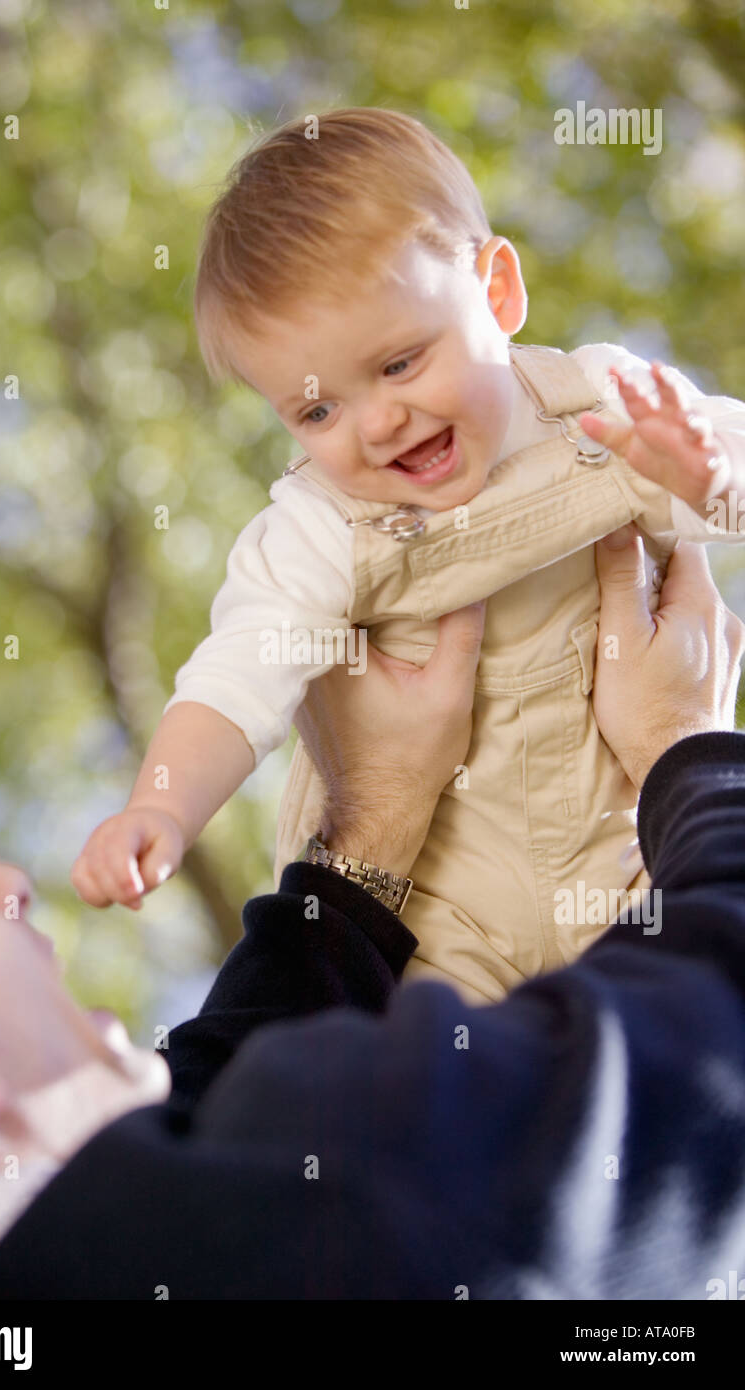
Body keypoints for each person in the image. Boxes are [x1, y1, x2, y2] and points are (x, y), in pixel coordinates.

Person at [0, 525, 743, 1299]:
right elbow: (709, 1045)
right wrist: (686, 744)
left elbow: (218, 1104)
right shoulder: (323, 1206)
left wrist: (369, 835)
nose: (1, 879)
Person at [72, 106, 745, 1004]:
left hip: (622, 862)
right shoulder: (316, 529)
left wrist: (708, 476)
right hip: (436, 909)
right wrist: (160, 805)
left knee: (678, 1037)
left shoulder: (594, 398)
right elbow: (231, 683)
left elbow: (721, 477)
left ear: (497, 293)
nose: (378, 422)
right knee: (441, 1098)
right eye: (317, 411)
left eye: (399, 363)